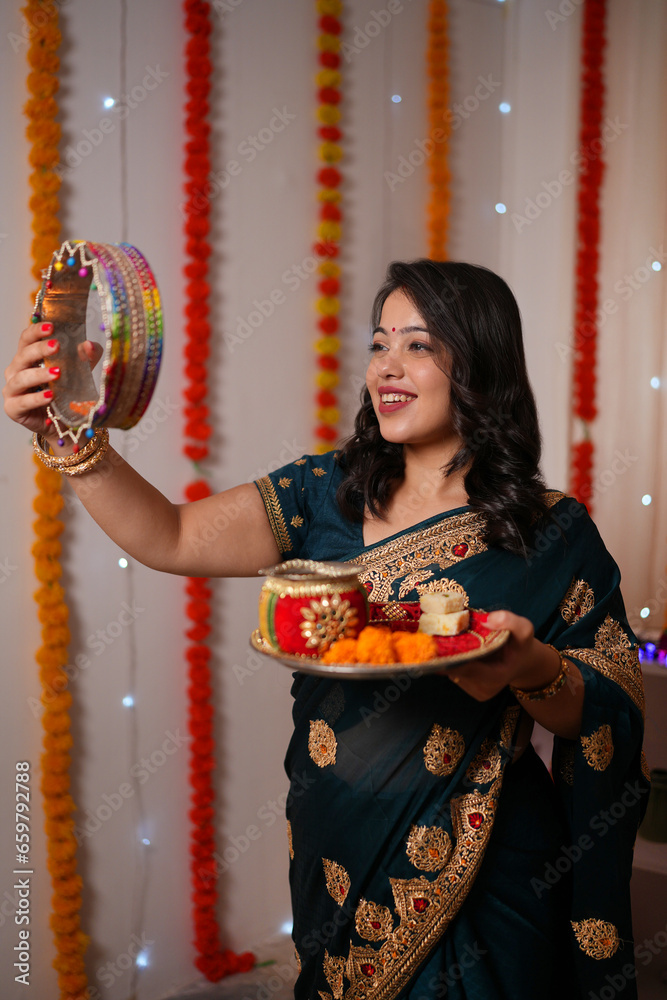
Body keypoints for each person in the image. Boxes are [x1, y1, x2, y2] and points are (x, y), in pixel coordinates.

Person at [4, 259, 648, 999]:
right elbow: (171, 537)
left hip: (485, 865)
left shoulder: (548, 530)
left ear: (480, 363)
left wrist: (531, 667)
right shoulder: (325, 492)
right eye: (378, 344)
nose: (387, 367)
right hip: (334, 842)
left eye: (419, 345)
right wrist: (74, 432)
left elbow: (605, 706)